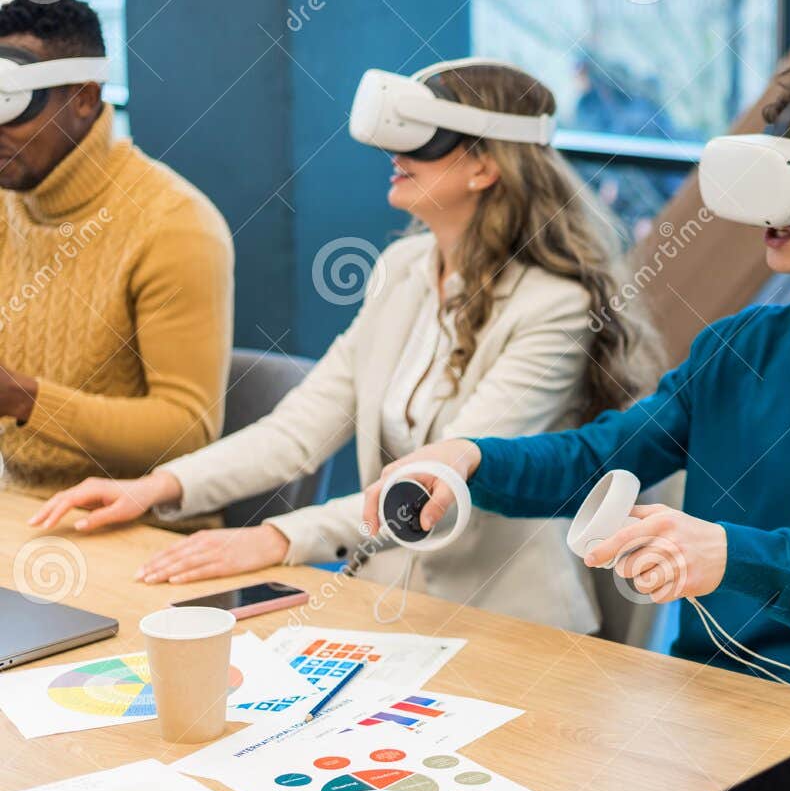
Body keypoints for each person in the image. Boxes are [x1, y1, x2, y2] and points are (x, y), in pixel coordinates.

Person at [363, 57, 790, 721]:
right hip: (704, 708)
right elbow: (596, 458)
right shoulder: (736, 348)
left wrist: (730, 556)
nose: (776, 205)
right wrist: (470, 458)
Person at [32, 59, 652, 633]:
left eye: (425, 141)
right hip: (385, 606)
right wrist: (157, 486)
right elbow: (297, 430)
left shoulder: (555, 307)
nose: (395, 155)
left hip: (508, 622)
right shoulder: (401, 269)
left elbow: (437, 486)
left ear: (484, 168)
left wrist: (277, 538)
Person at [0, 0, 232, 502]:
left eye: (11, 104)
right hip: (17, 511)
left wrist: (24, 399)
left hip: (137, 524)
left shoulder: (173, 225)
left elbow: (188, 430)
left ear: (84, 98)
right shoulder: (6, 204)